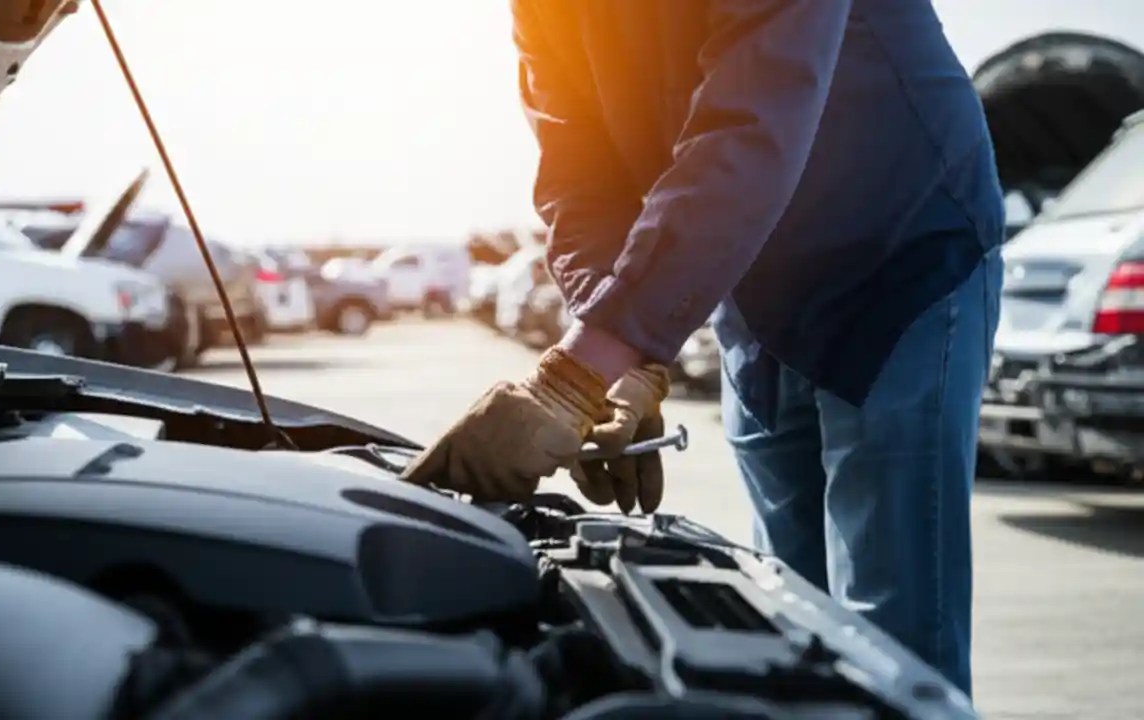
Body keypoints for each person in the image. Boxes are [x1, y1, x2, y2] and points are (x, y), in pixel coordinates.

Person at [401, 0, 1002, 696]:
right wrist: (625, 366)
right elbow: (579, 174)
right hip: (753, 277)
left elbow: (754, 118)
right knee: (787, 625)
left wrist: (573, 377)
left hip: (902, 253)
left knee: (894, 652)